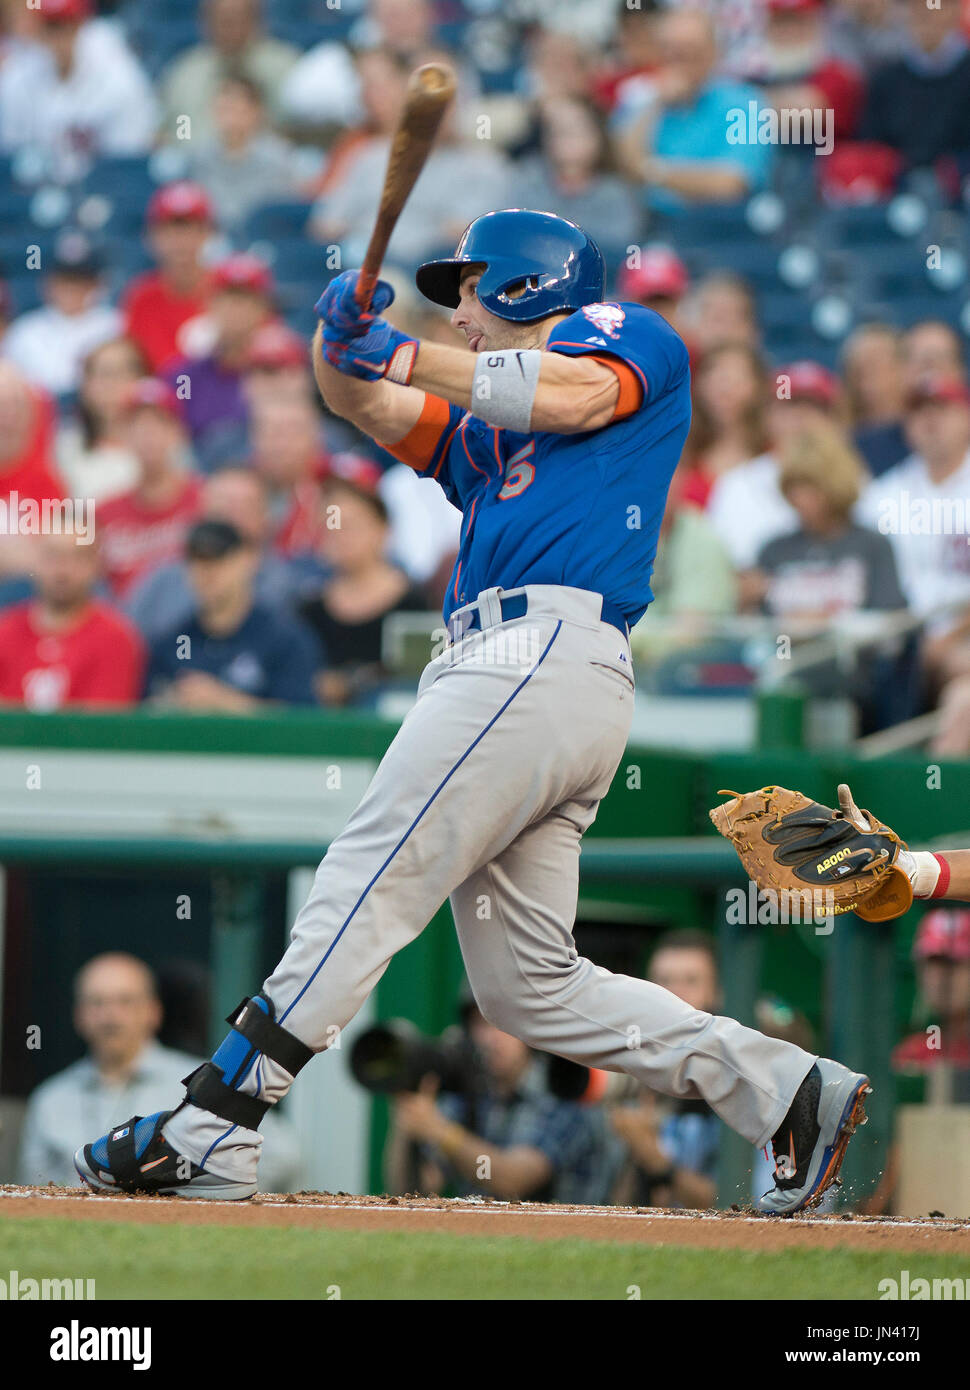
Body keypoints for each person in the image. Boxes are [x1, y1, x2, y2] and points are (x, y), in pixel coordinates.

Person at [74, 208, 869, 1217]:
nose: (460, 315)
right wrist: (341, 345)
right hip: (531, 675)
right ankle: (787, 1088)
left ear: (530, 283)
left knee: (368, 871)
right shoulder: (490, 431)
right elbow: (366, 404)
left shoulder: (625, 333)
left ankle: (217, 1118)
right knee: (528, 987)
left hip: (533, 655)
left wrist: (403, 348)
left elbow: (573, 394)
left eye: (470, 291)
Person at [18, 953, 301, 1193]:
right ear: (78, 1015)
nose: (111, 1016)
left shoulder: (201, 1080)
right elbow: (36, 1190)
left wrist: (200, 1200)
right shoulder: (50, 1100)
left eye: (125, 1001)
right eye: (97, 1003)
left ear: (153, 1012)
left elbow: (284, 1155)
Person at [387, 1001, 618, 1205]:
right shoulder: (473, 1091)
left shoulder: (563, 1086)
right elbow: (415, 1188)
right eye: (481, 1024)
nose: (491, 1038)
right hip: (484, 1242)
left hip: (565, 1241)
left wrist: (439, 1131)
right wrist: (408, 1120)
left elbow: (514, 1181)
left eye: (502, 1024)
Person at [125, 468, 326, 649]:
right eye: (222, 504)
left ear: (267, 519)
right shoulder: (163, 581)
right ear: (201, 511)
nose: (231, 515)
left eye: (244, 506)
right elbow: (127, 643)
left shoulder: (291, 586)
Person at [146, 519, 322, 711]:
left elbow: (301, 722)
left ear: (247, 561)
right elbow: (148, 712)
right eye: (197, 561)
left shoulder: (284, 639)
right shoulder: (175, 641)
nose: (207, 572)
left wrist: (223, 701)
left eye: (218, 559)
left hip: (258, 741)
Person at [298, 458, 431, 707]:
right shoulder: (308, 608)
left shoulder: (415, 603)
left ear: (382, 529)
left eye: (350, 525)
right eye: (330, 525)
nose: (338, 535)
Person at [614, 8, 774, 214]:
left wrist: (653, 172)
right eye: (670, 50)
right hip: (653, 225)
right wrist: (656, 105)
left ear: (714, 52)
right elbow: (623, 165)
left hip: (727, 229)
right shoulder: (642, 96)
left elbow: (732, 183)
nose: (679, 60)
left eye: (690, 50)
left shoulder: (746, 102)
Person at [610, 930, 721, 1210]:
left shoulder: (733, 1076)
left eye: (691, 981)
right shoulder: (625, 1067)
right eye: (664, 981)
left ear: (716, 993)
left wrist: (655, 1159)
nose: (675, 993)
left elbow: (752, 1201)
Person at [706, 359, 845, 570]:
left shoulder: (856, 484)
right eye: (790, 406)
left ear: (833, 421)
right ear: (769, 417)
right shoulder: (735, 485)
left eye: (814, 408)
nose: (801, 417)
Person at [0, 0, 157, 179]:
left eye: (67, 24)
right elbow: (12, 156)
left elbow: (128, 159)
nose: (59, 35)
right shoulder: (19, 74)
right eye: (51, 25)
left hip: (105, 186)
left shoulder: (119, 73)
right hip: (38, 186)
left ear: (82, 23)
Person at [0, 531, 144, 710]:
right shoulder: (5, 632)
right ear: (35, 561)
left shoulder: (115, 638)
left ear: (95, 566)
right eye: (52, 556)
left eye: (77, 558)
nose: (62, 570)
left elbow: (102, 726)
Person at [163, 253, 276, 471]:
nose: (235, 309)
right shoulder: (184, 377)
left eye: (246, 300)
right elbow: (170, 443)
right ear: (210, 305)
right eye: (227, 299)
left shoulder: (282, 372)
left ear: (264, 308)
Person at [96, 378, 203, 599]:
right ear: (124, 435)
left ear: (176, 433)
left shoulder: (205, 499)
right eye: (138, 425)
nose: (148, 435)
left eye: (159, 424)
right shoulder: (103, 513)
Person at [510, 95, 640, 257]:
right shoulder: (528, 178)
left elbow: (622, 246)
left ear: (598, 138)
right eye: (559, 130)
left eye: (577, 130)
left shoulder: (616, 192)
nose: (568, 138)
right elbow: (511, 235)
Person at [159, 0, 300, 146]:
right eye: (222, 20)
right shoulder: (184, 75)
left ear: (258, 20)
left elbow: (299, 135)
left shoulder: (287, 69)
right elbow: (165, 134)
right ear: (205, 22)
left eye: (239, 17)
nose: (231, 27)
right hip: (198, 164)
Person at [1, 231, 121, 397]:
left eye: (79, 281)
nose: (71, 288)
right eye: (64, 280)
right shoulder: (25, 330)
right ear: (48, 283)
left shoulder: (114, 324)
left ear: (95, 284)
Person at [860, 0, 970, 173]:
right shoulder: (886, 79)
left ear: (955, 10)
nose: (926, 13)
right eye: (917, 6)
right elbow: (870, 146)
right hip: (897, 187)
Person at [121, 182, 216, 374]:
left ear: (207, 234)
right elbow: (132, 369)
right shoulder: (141, 297)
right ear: (152, 237)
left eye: (189, 229)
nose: (180, 241)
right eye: (169, 230)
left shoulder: (232, 292)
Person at [188, 74, 301, 235]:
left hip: (263, 238)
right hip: (212, 239)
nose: (228, 117)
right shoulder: (199, 156)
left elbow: (282, 212)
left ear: (256, 111)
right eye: (223, 108)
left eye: (235, 108)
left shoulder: (279, 157)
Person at [56, 337, 146, 503]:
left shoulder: (164, 440)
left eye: (122, 373)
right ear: (85, 387)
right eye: (102, 375)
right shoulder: (65, 448)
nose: (111, 385)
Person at [681, 342, 770, 508]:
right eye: (717, 375)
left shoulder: (772, 454)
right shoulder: (681, 455)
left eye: (737, 376)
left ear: (758, 386)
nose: (725, 387)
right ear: (699, 385)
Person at [841, 323, 909, 478]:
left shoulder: (919, 433)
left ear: (902, 368)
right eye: (858, 367)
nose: (866, 375)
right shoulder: (841, 439)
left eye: (875, 363)